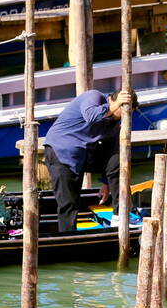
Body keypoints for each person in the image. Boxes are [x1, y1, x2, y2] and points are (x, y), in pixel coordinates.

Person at [43, 88, 137, 233]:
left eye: (129, 114)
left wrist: (107, 183)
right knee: (69, 203)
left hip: (83, 155)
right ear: (114, 101)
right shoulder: (94, 96)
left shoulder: (114, 123)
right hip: (61, 152)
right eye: (124, 111)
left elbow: (112, 153)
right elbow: (91, 116)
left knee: (119, 160)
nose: (124, 117)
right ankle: (67, 238)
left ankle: (121, 215)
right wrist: (116, 104)